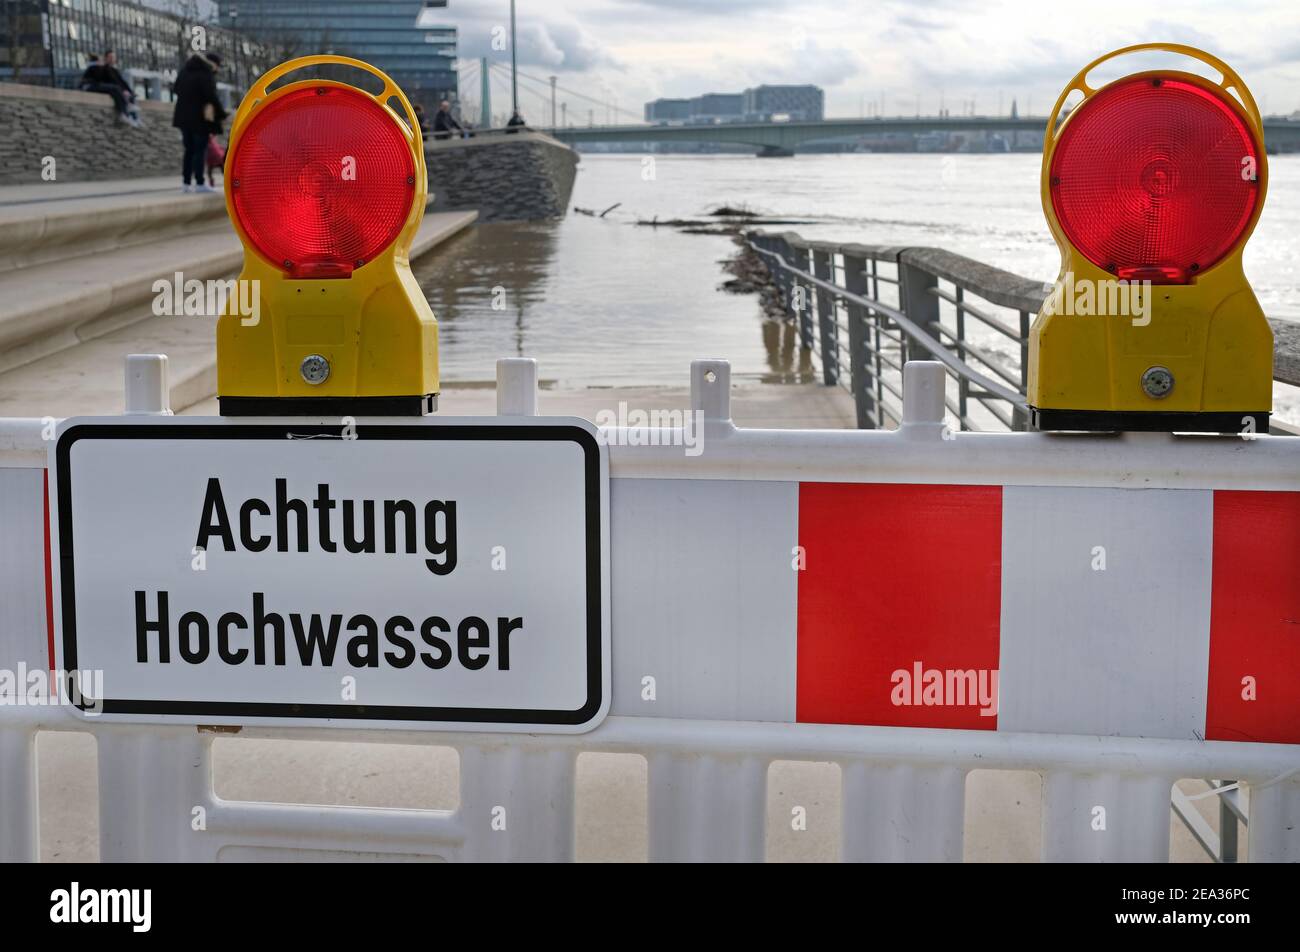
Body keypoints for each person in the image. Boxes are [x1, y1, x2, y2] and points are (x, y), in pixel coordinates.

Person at [172, 51, 227, 194]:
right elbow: (211, 96)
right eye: (218, 66)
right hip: (199, 118)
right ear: (212, 63)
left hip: (183, 116)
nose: (217, 69)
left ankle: (186, 183)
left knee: (189, 150)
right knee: (200, 150)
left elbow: (176, 89)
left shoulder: (185, 70)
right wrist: (222, 113)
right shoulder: (205, 73)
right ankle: (200, 183)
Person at [81, 49, 141, 127]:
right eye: (110, 57)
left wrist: (129, 91)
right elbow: (100, 79)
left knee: (127, 93)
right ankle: (125, 112)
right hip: (90, 86)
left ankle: (134, 118)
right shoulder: (95, 66)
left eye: (113, 57)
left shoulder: (110, 69)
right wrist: (100, 67)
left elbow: (121, 82)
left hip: (98, 85)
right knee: (116, 89)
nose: (112, 59)